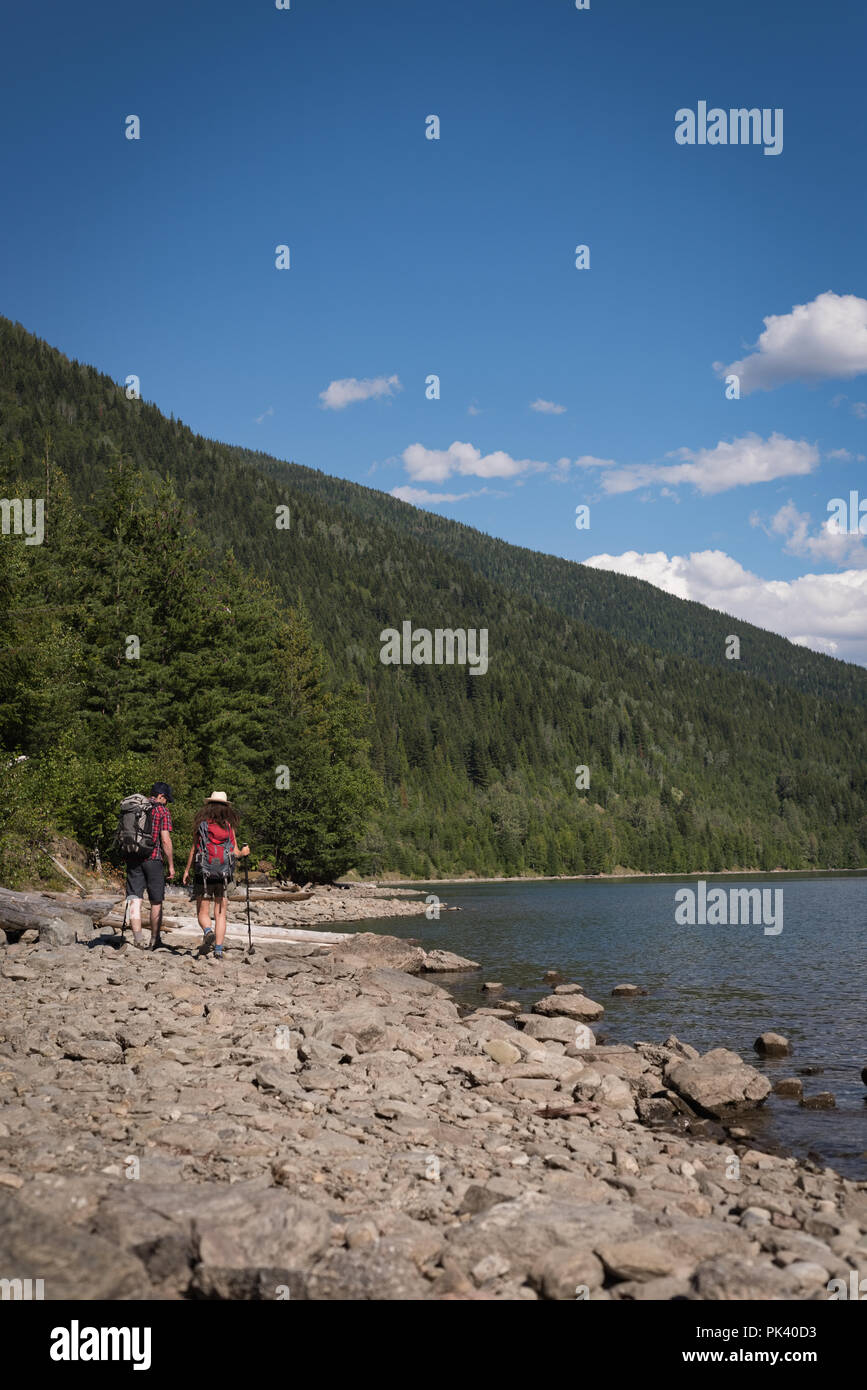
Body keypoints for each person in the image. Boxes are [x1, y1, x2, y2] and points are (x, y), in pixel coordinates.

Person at [182, 792, 250, 961]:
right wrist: (244, 852)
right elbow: (235, 852)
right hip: (224, 874)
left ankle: (208, 931)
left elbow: (194, 849)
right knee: (221, 913)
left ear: (209, 806)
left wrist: (186, 870)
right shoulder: (228, 827)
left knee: (202, 912)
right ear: (226, 808)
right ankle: (218, 950)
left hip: (203, 873)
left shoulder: (202, 825)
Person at [126, 782, 175, 951]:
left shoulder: (135, 806)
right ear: (161, 796)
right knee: (156, 901)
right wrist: (171, 865)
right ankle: (154, 941)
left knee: (135, 898)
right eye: (167, 799)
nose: (167, 802)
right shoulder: (162, 811)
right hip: (153, 859)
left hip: (133, 857)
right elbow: (166, 841)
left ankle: (138, 939)